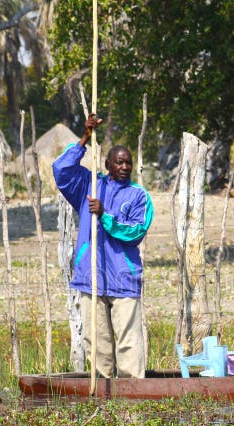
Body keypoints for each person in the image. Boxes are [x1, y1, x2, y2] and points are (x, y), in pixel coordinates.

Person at [52, 114, 154, 378]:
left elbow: (135, 231)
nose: (124, 166)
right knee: (96, 341)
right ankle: (103, 390)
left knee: (129, 340)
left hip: (123, 276)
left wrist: (105, 215)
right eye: (119, 162)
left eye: (128, 162)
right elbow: (61, 170)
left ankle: (132, 389)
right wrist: (85, 138)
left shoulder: (139, 196)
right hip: (91, 276)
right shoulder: (90, 185)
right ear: (108, 164)